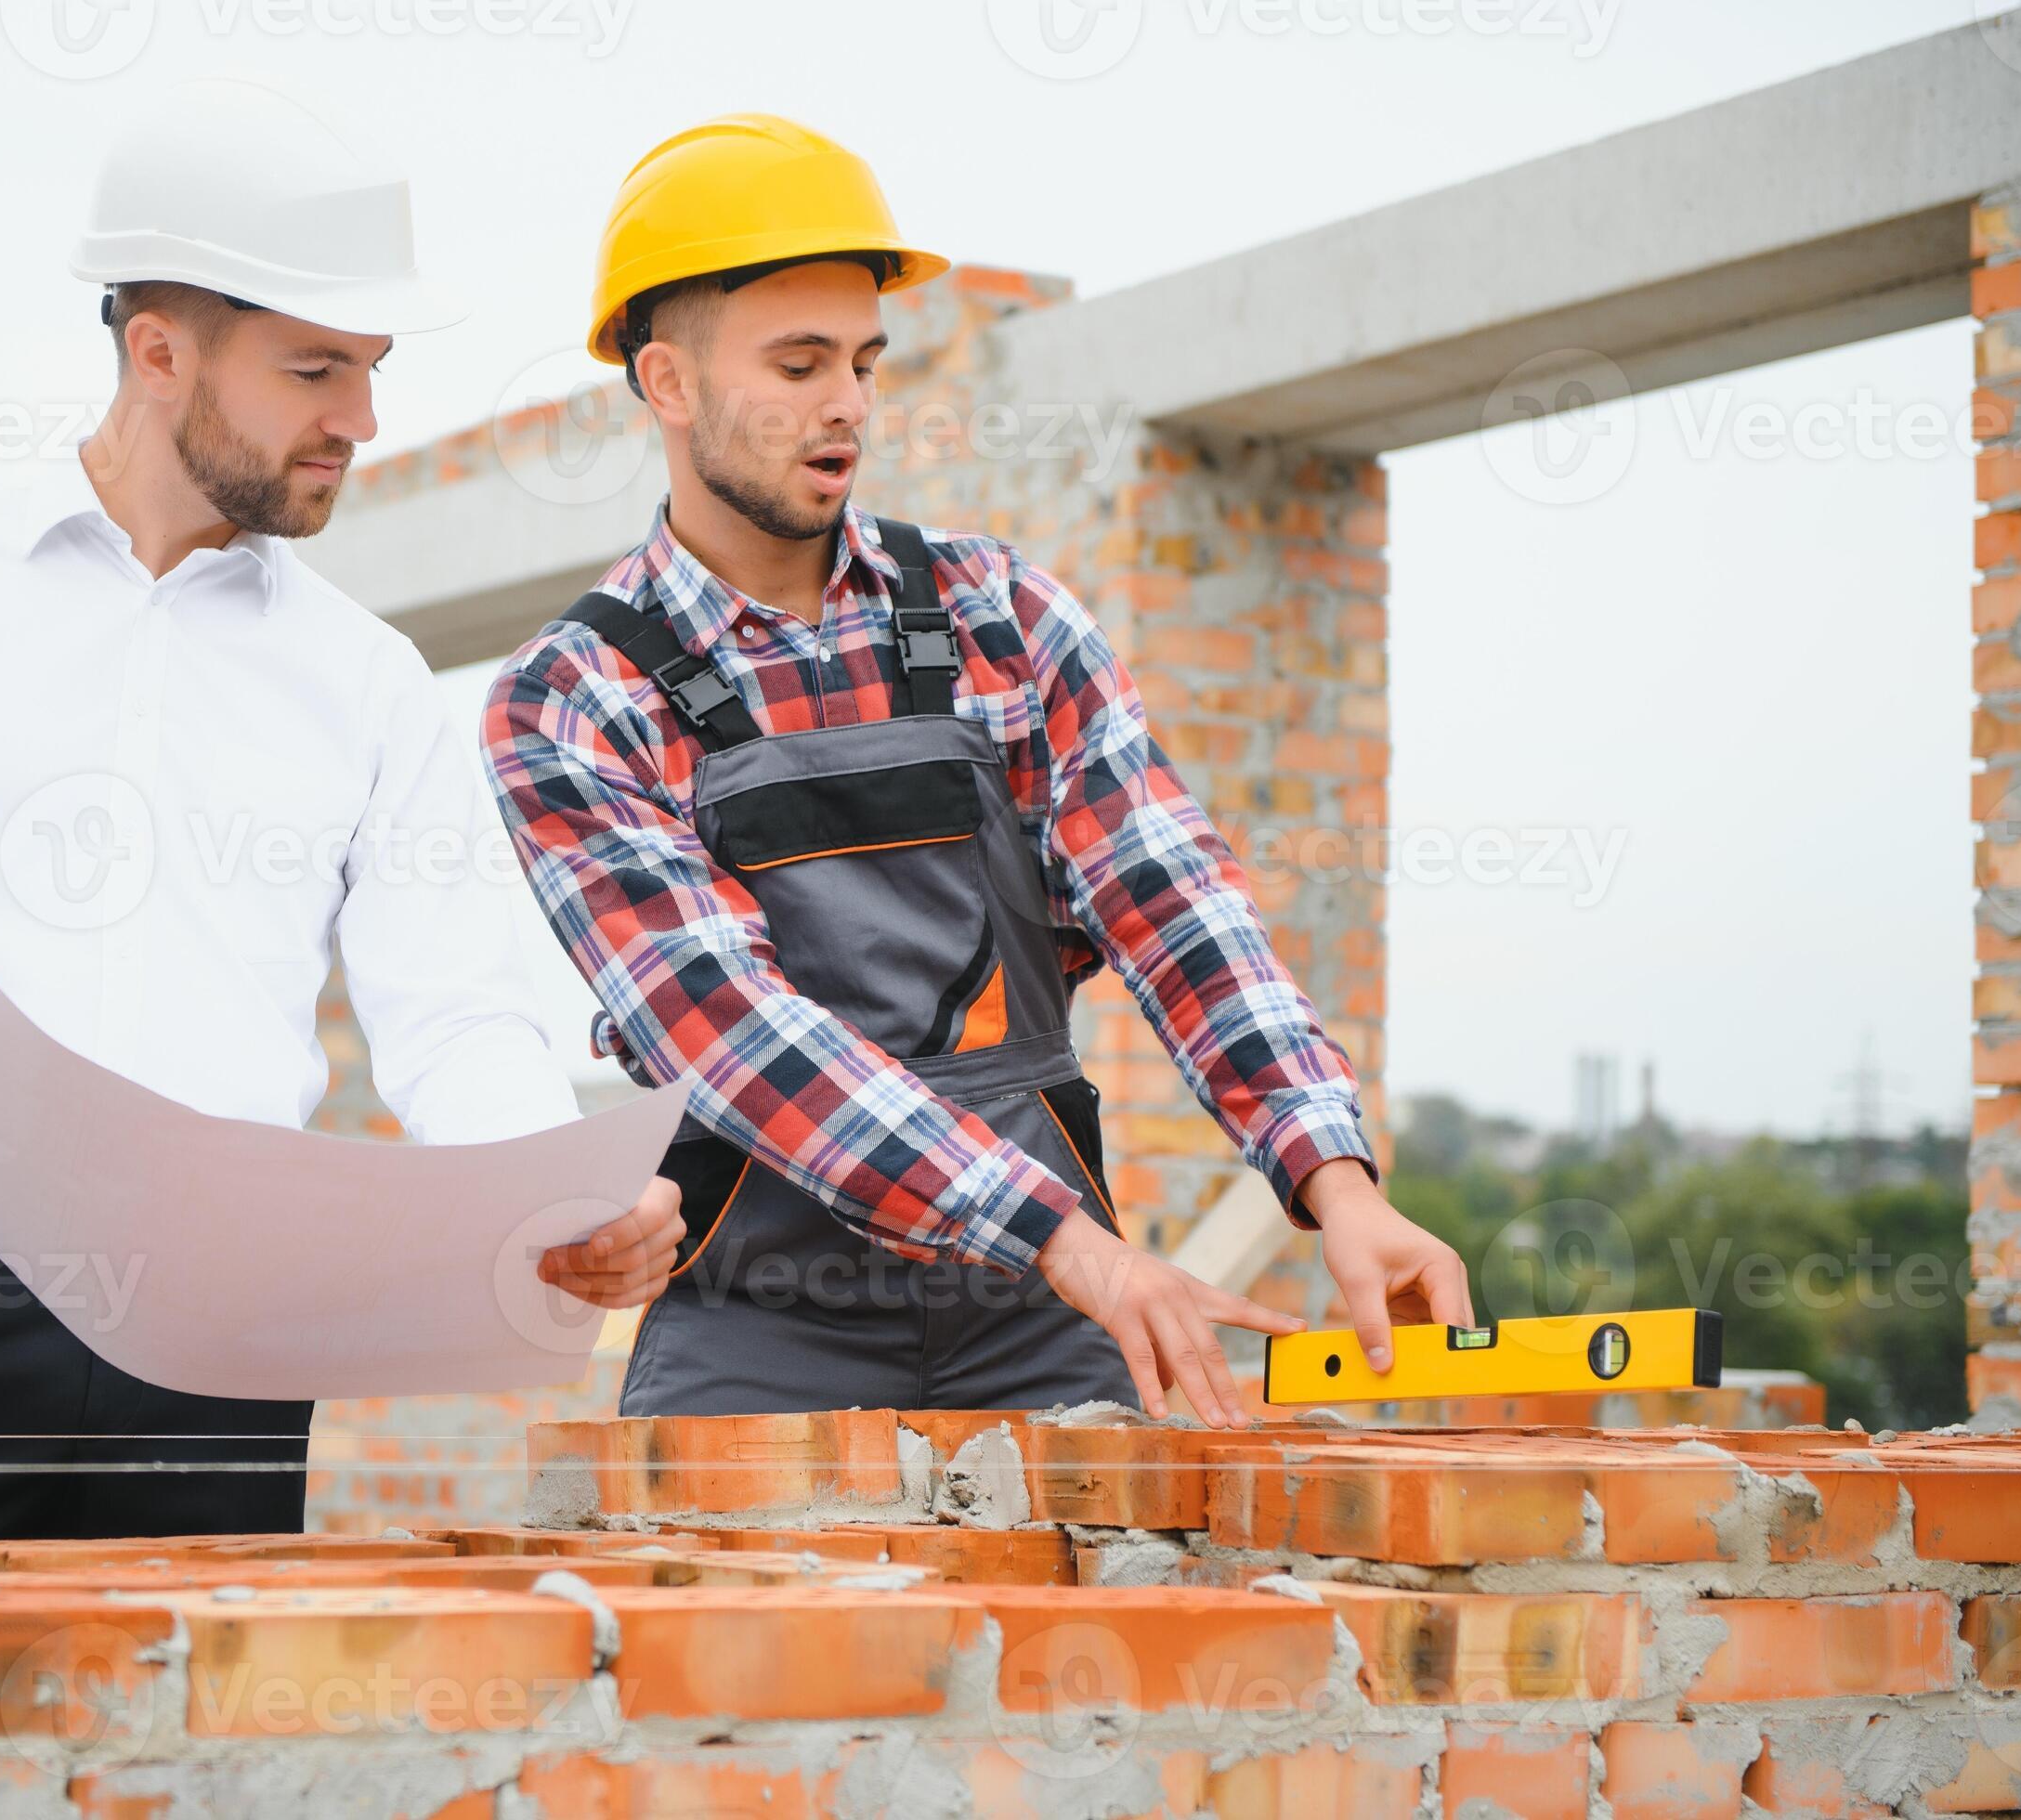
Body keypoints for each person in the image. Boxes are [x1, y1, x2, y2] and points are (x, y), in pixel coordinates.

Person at [0, 80, 682, 1542]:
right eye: (315, 370)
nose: (360, 421)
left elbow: (454, 1015)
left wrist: (556, 1192)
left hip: (225, 1341)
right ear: (158, 351)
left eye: (371, 371)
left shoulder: (368, 680)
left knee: (186, 1702)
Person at [482, 114, 1470, 1425]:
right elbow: (737, 1033)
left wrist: (1335, 1179)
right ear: (666, 382)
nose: (848, 403)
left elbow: (1173, 901)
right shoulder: (575, 700)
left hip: (1042, 1323)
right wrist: (1073, 1243)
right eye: (797, 364)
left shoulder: (999, 613)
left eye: (864, 362)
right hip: (764, 1332)